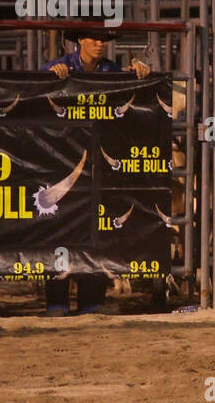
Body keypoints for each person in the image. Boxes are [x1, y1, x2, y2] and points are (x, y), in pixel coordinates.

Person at [41, 26, 151, 316]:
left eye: (104, 39)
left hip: (96, 164)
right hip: (63, 160)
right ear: (80, 40)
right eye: (95, 38)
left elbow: (129, 92)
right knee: (60, 229)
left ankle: (91, 300)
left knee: (97, 231)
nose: (100, 44)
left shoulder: (112, 70)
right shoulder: (58, 67)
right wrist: (50, 78)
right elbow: (37, 90)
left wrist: (136, 73)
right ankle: (57, 302)